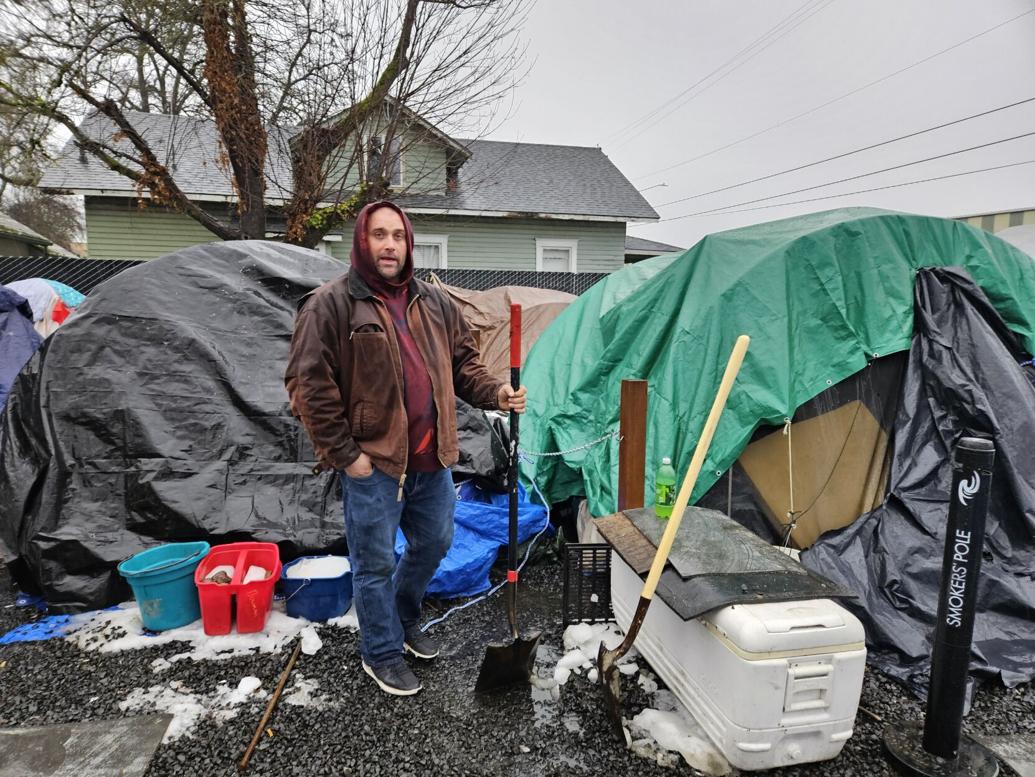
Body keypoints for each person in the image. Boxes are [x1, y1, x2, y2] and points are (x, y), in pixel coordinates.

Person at [285, 201, 526, 696]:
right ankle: (381, 652)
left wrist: (496, 392)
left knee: (435, 543)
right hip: (375, 464)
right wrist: (348, 456)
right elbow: (308, 387)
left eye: (398, 235)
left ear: (409, 243)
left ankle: (400, 617)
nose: (390, 244)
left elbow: (464, 365)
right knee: (374, 565)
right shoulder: (331, 304)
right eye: (379, 235)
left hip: (431, 460)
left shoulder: (434, 303)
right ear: (362, 241)